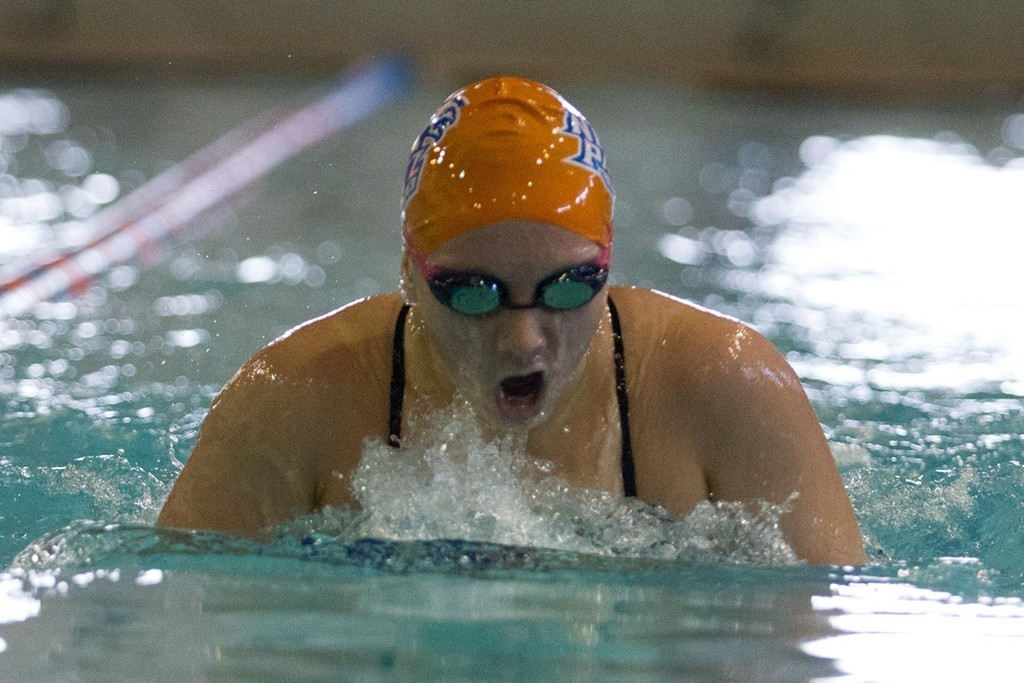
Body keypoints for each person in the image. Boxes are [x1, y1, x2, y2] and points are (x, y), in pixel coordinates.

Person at [158, 77, 866, 565]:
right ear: (410, 269)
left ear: (608, 263)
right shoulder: (290, 403)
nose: (525, 337)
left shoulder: (732, 390)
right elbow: (185, 611)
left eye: (566, 288)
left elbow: (821, 631)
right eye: (473, 292)